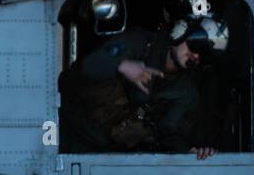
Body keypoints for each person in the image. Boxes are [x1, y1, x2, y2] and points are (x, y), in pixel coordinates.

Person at [60, 8, 229, 158]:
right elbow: (85, 68)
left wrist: (192, 153)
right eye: (196, 45)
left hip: (117, 157)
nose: (197, 56)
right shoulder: (138, 44)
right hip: (75, 139)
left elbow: (170, 136)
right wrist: (121, 66)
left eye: (206, 54)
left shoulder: (186, 93)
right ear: (181, 31)